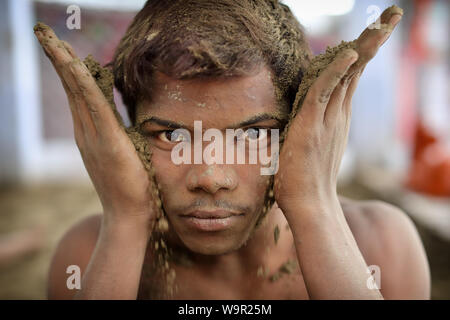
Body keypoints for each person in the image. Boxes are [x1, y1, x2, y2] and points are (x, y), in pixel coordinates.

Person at [34, 0, 430, 299]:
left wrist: (314, 205)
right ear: (130, 138)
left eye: (254, 135)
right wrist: (125, 220)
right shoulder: (87, 259)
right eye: (172, 137)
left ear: (300, 130)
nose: (210, 178)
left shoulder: (382, 247)